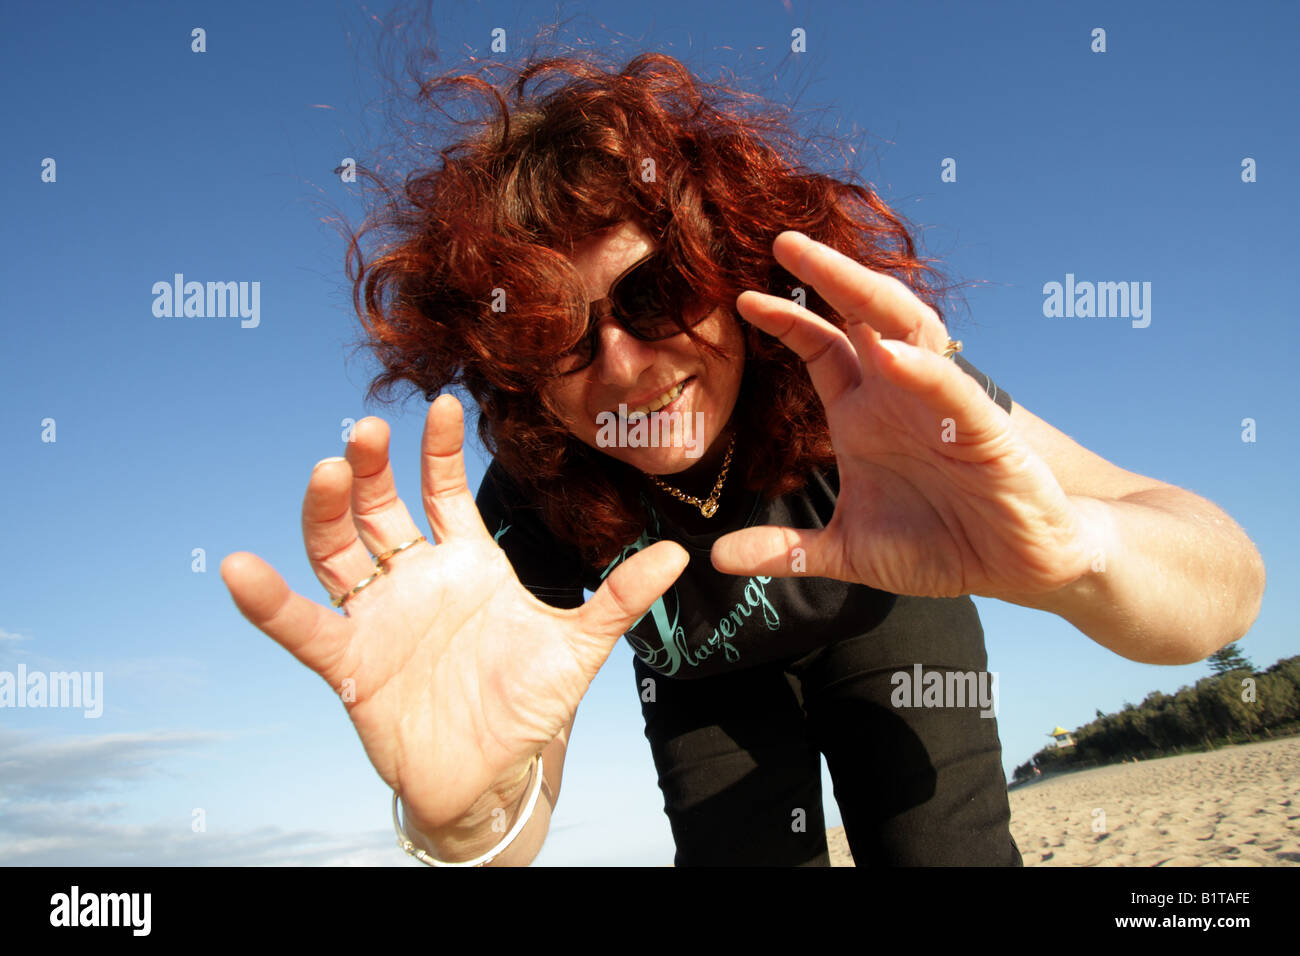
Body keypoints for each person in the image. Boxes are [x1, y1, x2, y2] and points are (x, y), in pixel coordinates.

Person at [219, 52, 1266, 867]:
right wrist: (462, 821)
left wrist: (1082, 557)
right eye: (554, 336)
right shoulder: (526, 501)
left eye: (656, 291)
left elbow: (1224, 579)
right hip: (701, 684)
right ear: (512, 379)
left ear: (727, 269)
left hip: (886, 610)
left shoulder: (865, 387)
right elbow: (511, 802)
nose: (626, 366)